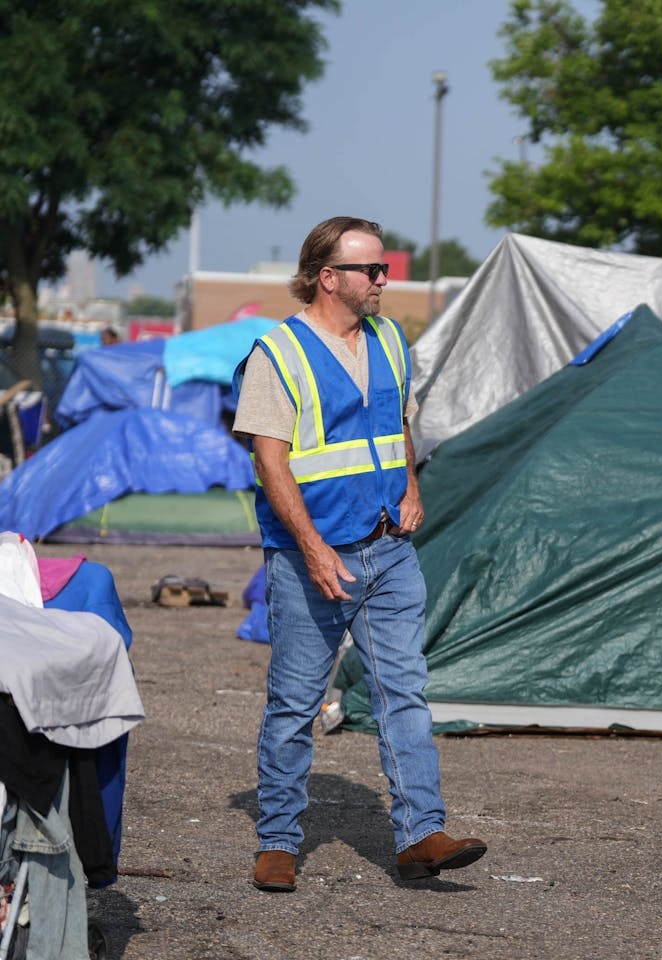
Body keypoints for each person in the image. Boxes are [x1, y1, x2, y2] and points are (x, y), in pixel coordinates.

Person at [232, 216, 486, 892]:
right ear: (328, 277)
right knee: (295, 703)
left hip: (388, 550)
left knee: (404, 693)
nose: (382, 280)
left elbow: (398, 420)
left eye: (383, 269)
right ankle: (278, 841)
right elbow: (270, 461)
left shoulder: (390, 338)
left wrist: (411, 486)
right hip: (311, 559)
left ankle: (420, 835)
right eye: (370, 270)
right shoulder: (277, 353)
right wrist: (313, 549)